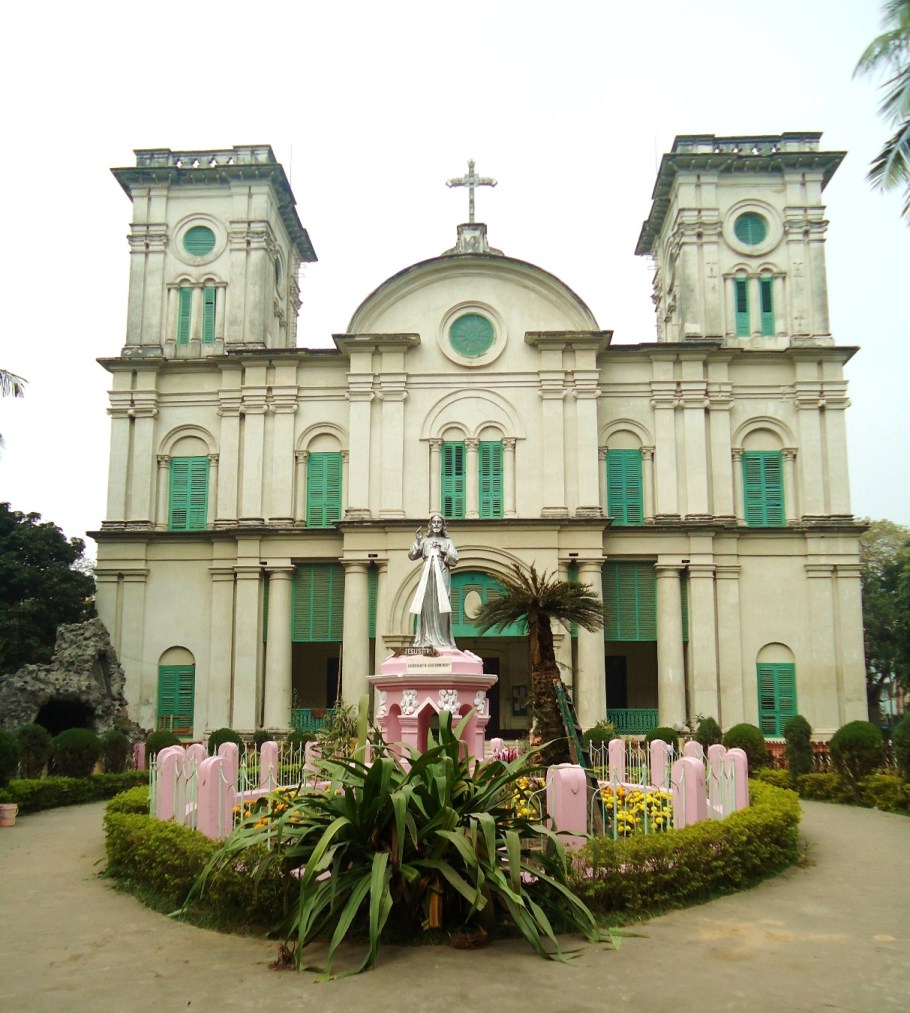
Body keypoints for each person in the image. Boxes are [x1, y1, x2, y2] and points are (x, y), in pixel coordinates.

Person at [408, 513, 458, 650]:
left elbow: (454, 560)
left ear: (443, 525)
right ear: (430, 525)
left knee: (442, 602)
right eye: (434, 522)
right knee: (427, 603)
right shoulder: (425, 541)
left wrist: (444, 552)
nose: (436, 524)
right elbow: (412, 556)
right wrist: (418, 541)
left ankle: (443, 639)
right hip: (427, 571)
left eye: (439, 522)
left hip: (442, 570)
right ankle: (426, 638)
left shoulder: (448, 542)